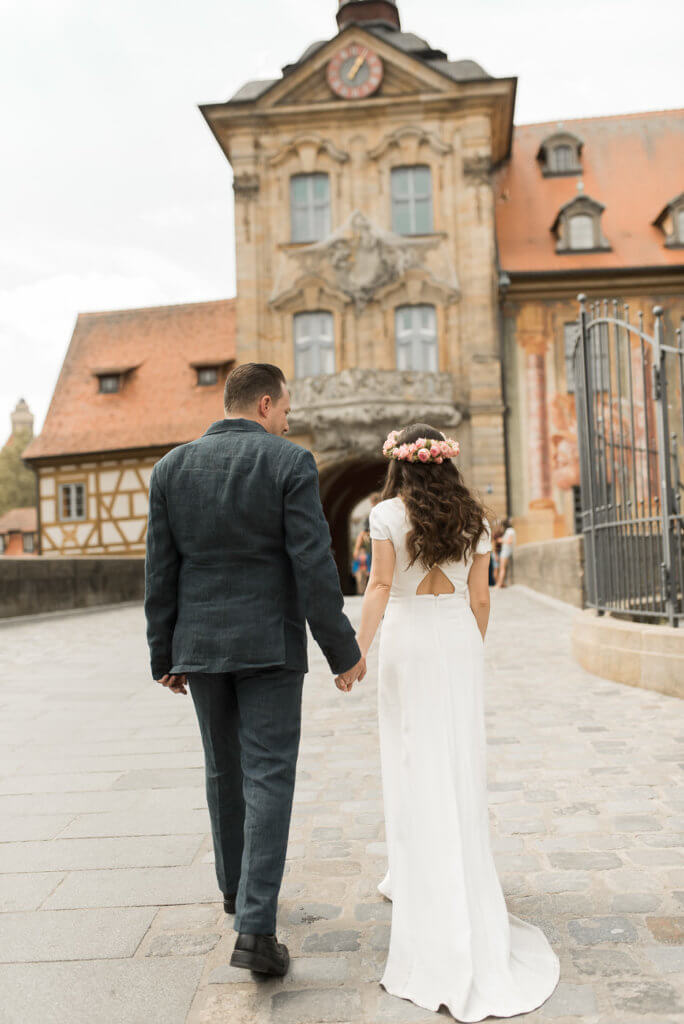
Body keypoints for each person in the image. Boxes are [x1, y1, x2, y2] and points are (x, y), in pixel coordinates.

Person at [144, 362, 365, 979]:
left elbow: (160, 571)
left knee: (223, 771)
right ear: (265, 404)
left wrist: (164, 653)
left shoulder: (171, 468)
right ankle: (257, 930)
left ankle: (236, 893)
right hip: (269, 645)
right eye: (287, 408)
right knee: (269, 778)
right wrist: (342, 651)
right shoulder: (289, 464)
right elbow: (314, 565)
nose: (289, 420)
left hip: (202, 646)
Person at [352, 424, 560, 1020]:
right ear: (446, 464)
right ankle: (460, 866)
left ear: (399, 464)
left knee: (411, 754)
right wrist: (470, 648)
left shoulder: (386, 514)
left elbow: (381, 585)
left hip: (410, 637)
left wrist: (357, 653)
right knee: (461, 758)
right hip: (458, 638)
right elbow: (482, 598)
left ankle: (417, 868)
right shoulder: (475, 517)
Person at [495, 517, 516, 589]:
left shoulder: (510, 531)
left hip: (506, 551)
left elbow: (510, 541)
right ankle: (502, 583)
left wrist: (501, 540)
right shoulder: (510, 530)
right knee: (503, 568)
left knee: (502, 568)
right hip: (506, 551)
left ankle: (499, 584)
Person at [351, 526, 371, 594]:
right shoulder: (357, 555)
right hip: (359, 570)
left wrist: (369, 570)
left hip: (365, 569)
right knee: (359, 580)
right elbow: (355, 563)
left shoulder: (367, 555)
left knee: (365, 581)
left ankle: (364, 592)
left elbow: (368, 563)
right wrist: (354, 571)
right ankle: (359, 592)